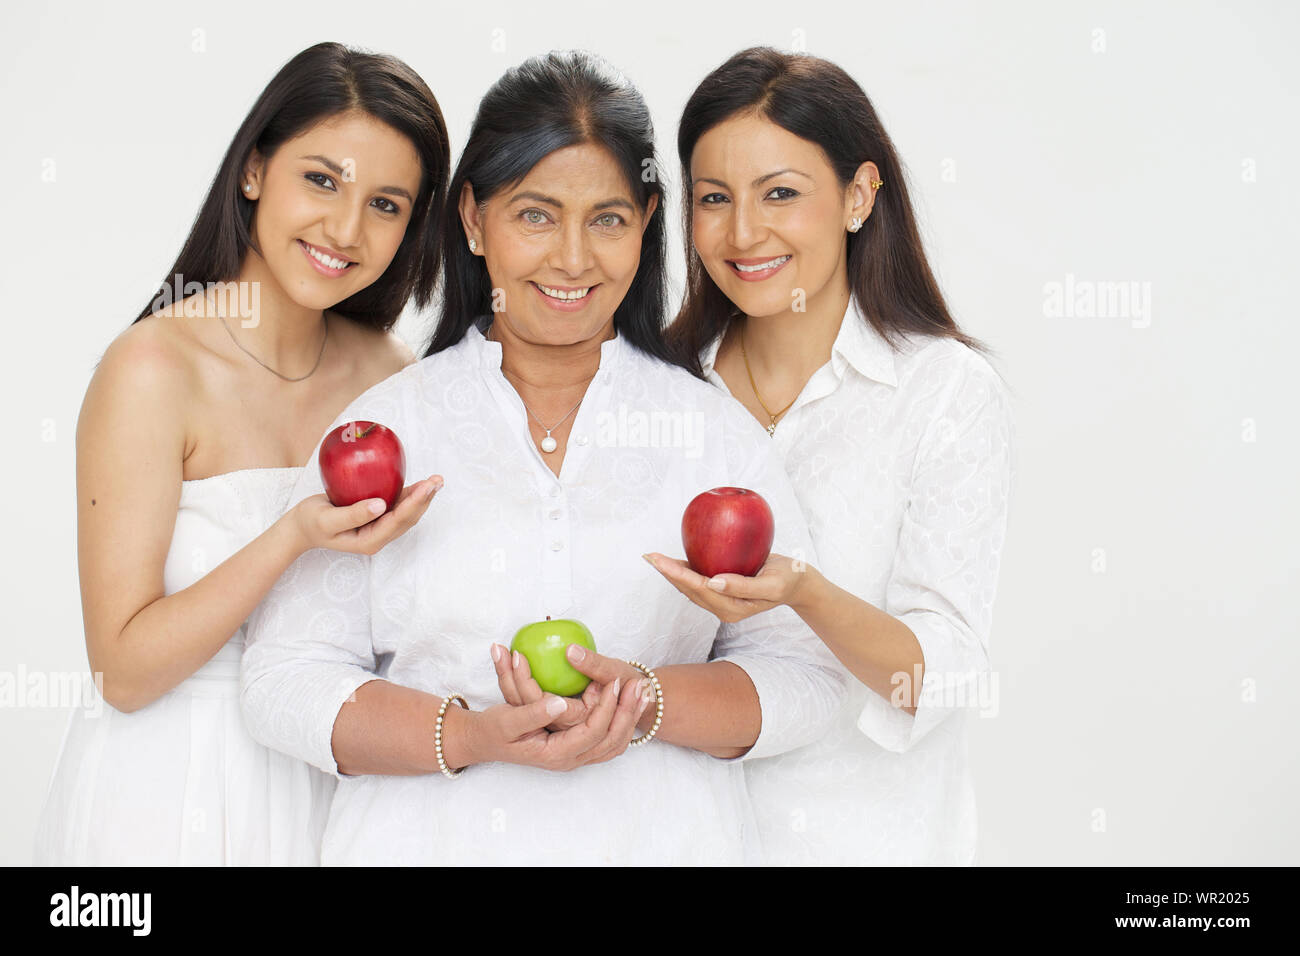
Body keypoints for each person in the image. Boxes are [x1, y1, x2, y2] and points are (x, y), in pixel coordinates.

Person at [239, 50, 846, 866]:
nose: (572, 258)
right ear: (472, 219)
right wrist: (475, 735)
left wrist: (646, 703)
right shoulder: (387, 428)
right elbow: (281, 680)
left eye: (608, 219)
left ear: (647, 220)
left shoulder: (711, 434)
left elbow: (808, 680)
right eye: (534, 214)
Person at [34, 42, 449, 865]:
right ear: (255, 170)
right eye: (321, 180)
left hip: (332, 779)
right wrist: (291, 535)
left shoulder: (391, 375)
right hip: (166, 784)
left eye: (386, 204)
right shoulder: (152, 369)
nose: (344, 228)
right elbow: (122, 670)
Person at [653, 46, 1017, 865]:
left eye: (781, 193)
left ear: (858, 196)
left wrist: (805, 593)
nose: (744, 233)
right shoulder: (658, 391)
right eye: (715, 199)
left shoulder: (943, 393)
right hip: (670, 833)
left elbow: (942, 677)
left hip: (866, 841)